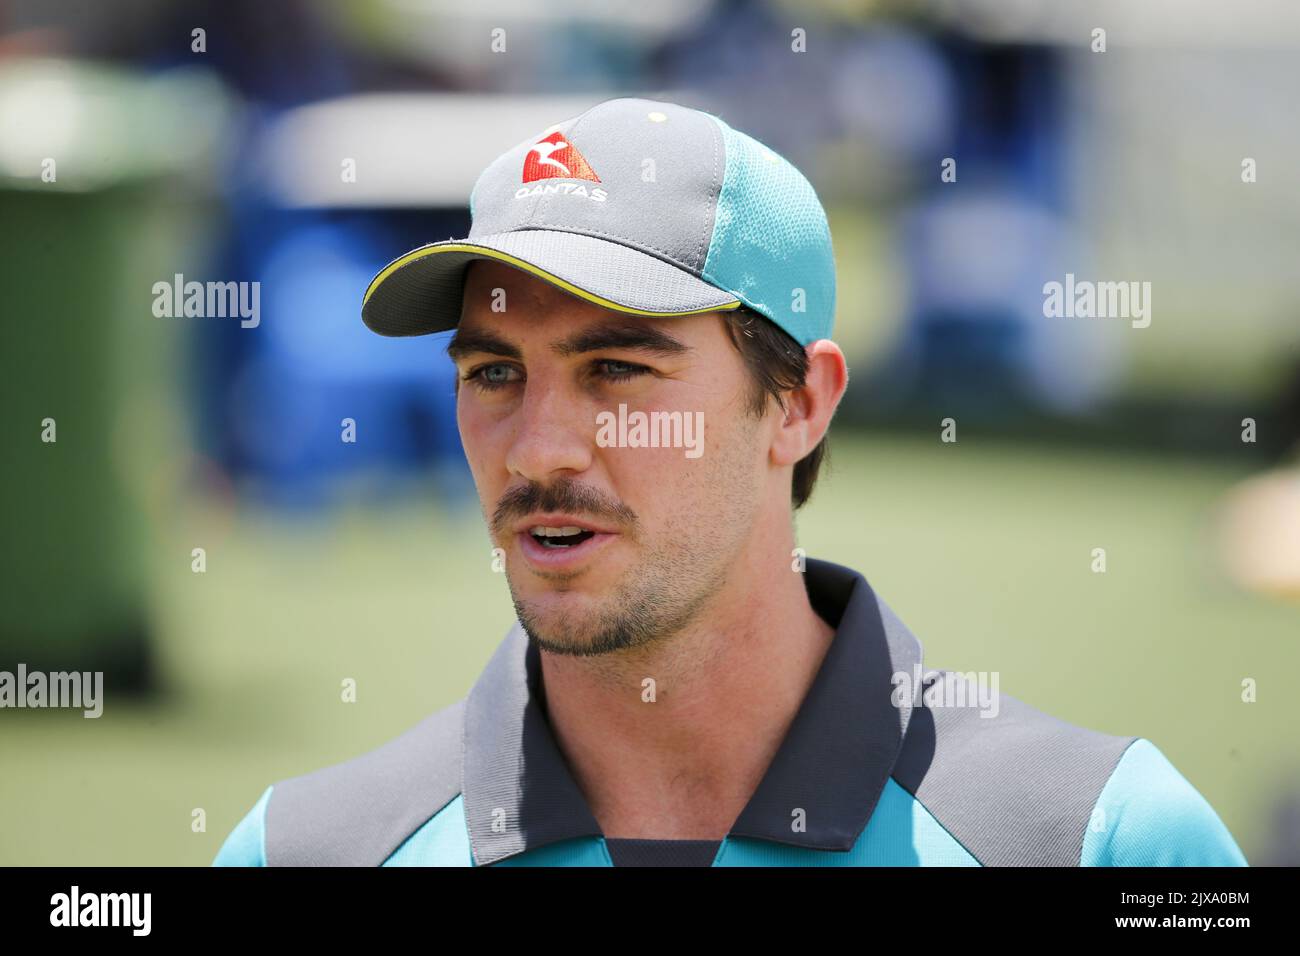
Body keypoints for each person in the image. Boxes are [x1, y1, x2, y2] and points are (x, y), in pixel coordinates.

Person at [213, 97, 1247, 867]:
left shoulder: (1102, 839)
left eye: (615, 369)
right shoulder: (303, 849)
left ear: (798, 403)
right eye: (494, 372)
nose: (536, 453)